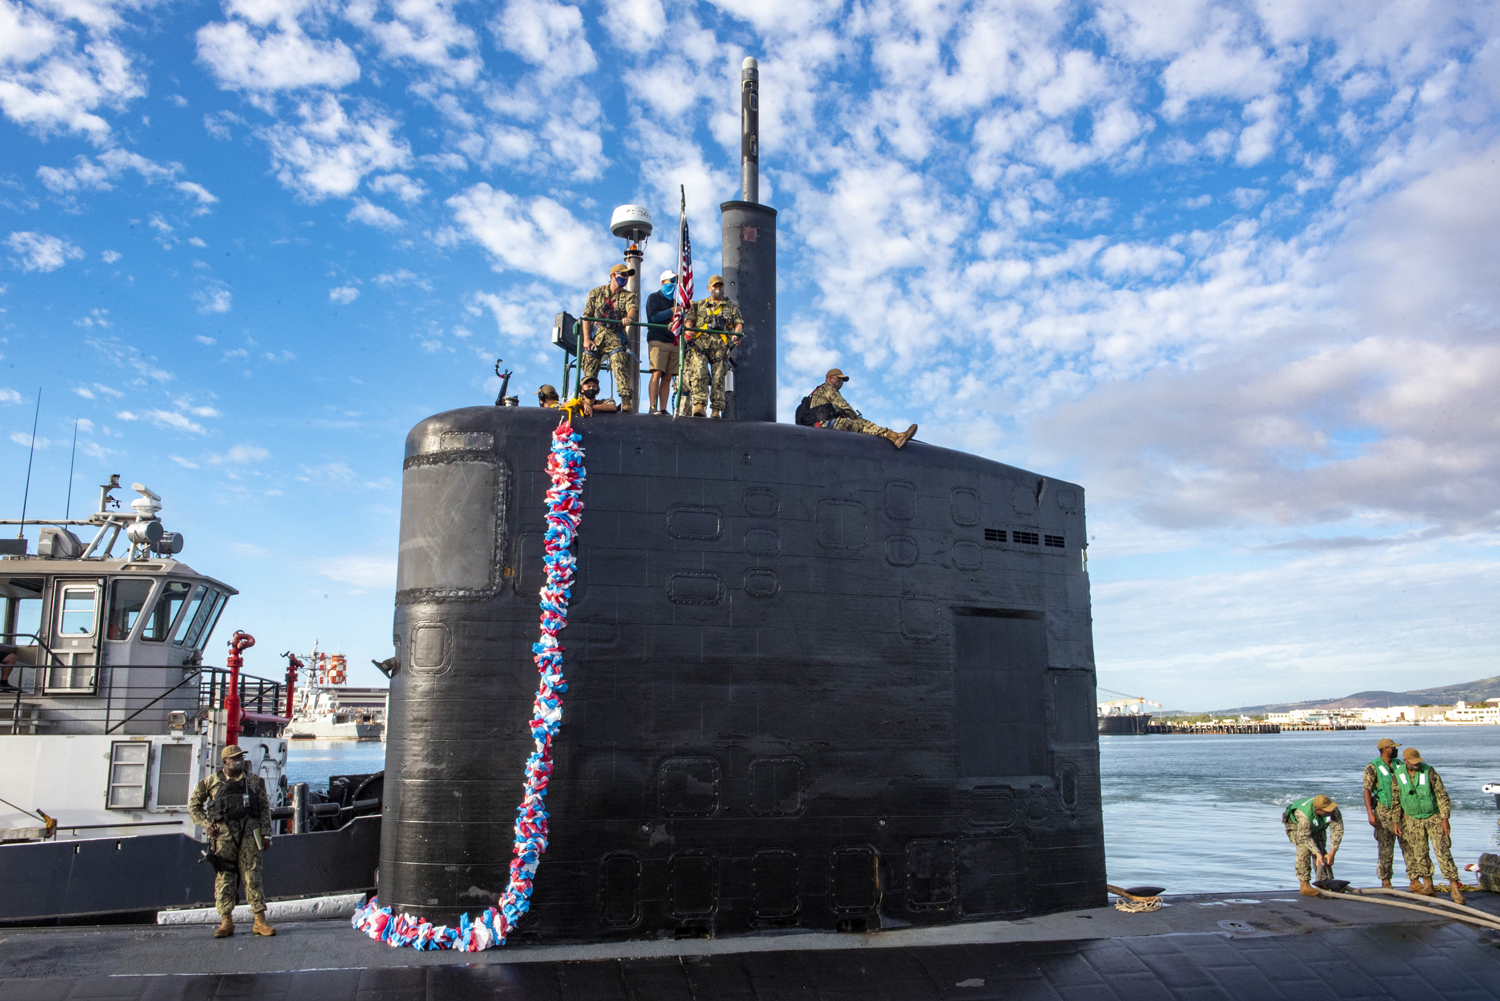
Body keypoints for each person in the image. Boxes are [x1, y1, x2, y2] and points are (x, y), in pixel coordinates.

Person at [188, 745, 275, 938]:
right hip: (223, 836)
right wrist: (205, 823)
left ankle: (259, 921)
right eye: (235, 758)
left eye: (240, 757)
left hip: (249, 835)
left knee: (252, 876)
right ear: (226, 761)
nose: (239, 761)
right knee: (224, 878)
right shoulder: (210, 782)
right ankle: (226, 921)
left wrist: (266, 834)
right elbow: (193, 805)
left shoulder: (254, 782)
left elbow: (263, 809)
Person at [1396, 747, 1466, 902]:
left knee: (1443, 852)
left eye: (1417, 762)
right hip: (1412, 819)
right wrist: (1397, 821)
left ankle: (1455, 889)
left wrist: (1445, 818)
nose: (1416, 765)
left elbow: (1442, 795)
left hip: (1433, 817)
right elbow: (1396, 799)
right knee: (1419, 853)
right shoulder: (1398, 774)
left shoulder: (1429, 772)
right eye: (1412, 762)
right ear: (1405, 761)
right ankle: (1428, 886)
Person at [806, 369, 918, 449]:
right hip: (827, 425)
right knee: (863, 424)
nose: (841, 382)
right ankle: (894, 437)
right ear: (830, 379)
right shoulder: (828, 388)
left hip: (819, 425)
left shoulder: (816, 392)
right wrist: (856, 419)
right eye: (838, 379)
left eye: (842, 381)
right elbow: (843, 406)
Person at [580, 263, 638, 413]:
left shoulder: (629, 296)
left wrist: (629, 318)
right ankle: (586, 401)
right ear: (613, 276)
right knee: (589, 366)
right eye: (623, 275)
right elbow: (587, 317)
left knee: (619, 362)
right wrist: (586, 339)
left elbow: (632, 310)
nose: (625, 278)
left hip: (615, 335)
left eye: (627, 276)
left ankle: (625, 400)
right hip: (597, 335)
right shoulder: (596, 293)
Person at [683, 275, 743, 418]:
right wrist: (689, 329)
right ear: (709, 288)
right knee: (699, 373)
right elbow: (689, 321)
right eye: (714, 286)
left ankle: (716, 409)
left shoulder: (731, 307)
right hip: (700, 345)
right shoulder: (699, 305)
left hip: (720, 348)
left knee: (718, 378)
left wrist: (736, 334)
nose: (717, 289)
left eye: (720, 286)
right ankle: (699, 405)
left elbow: (738, 323)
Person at [1363, 737, 1408, 888]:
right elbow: (1367, 790)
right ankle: (1386, 880)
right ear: (1384, 749)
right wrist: (1370, 813)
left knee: (1409, 846)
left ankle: (1414, 879)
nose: (1395, 750)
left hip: (1402, 812)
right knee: (1386, 848)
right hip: (1383, 812)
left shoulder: (1399, 764)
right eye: (1392, 748)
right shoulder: (1373, 766)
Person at [1282, 794, 1342, 896]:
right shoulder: (1303, 815)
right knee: (1304, 848)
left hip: (1317, 824)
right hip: (1296, 825)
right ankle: (1304, 885)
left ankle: (1324, 881)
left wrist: (1332, 853)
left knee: (1321, 849)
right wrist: (1317, 853)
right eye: (1327, 810)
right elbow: (1305, 836)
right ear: (1318, 810)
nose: (1330, 811)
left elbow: (1338, 830)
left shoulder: (1333, 809)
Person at [645, 270, 680, 415]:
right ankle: (652, 406)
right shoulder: (653, 298)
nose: (673, 284)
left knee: (667, 376)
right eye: (670, 281)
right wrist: (672, 311)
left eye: (675, 281)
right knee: (657, 372)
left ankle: (663, 408)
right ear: (663, 282)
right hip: (657, 340)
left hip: (672, 341)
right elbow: (654, 317)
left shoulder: (675, 302)